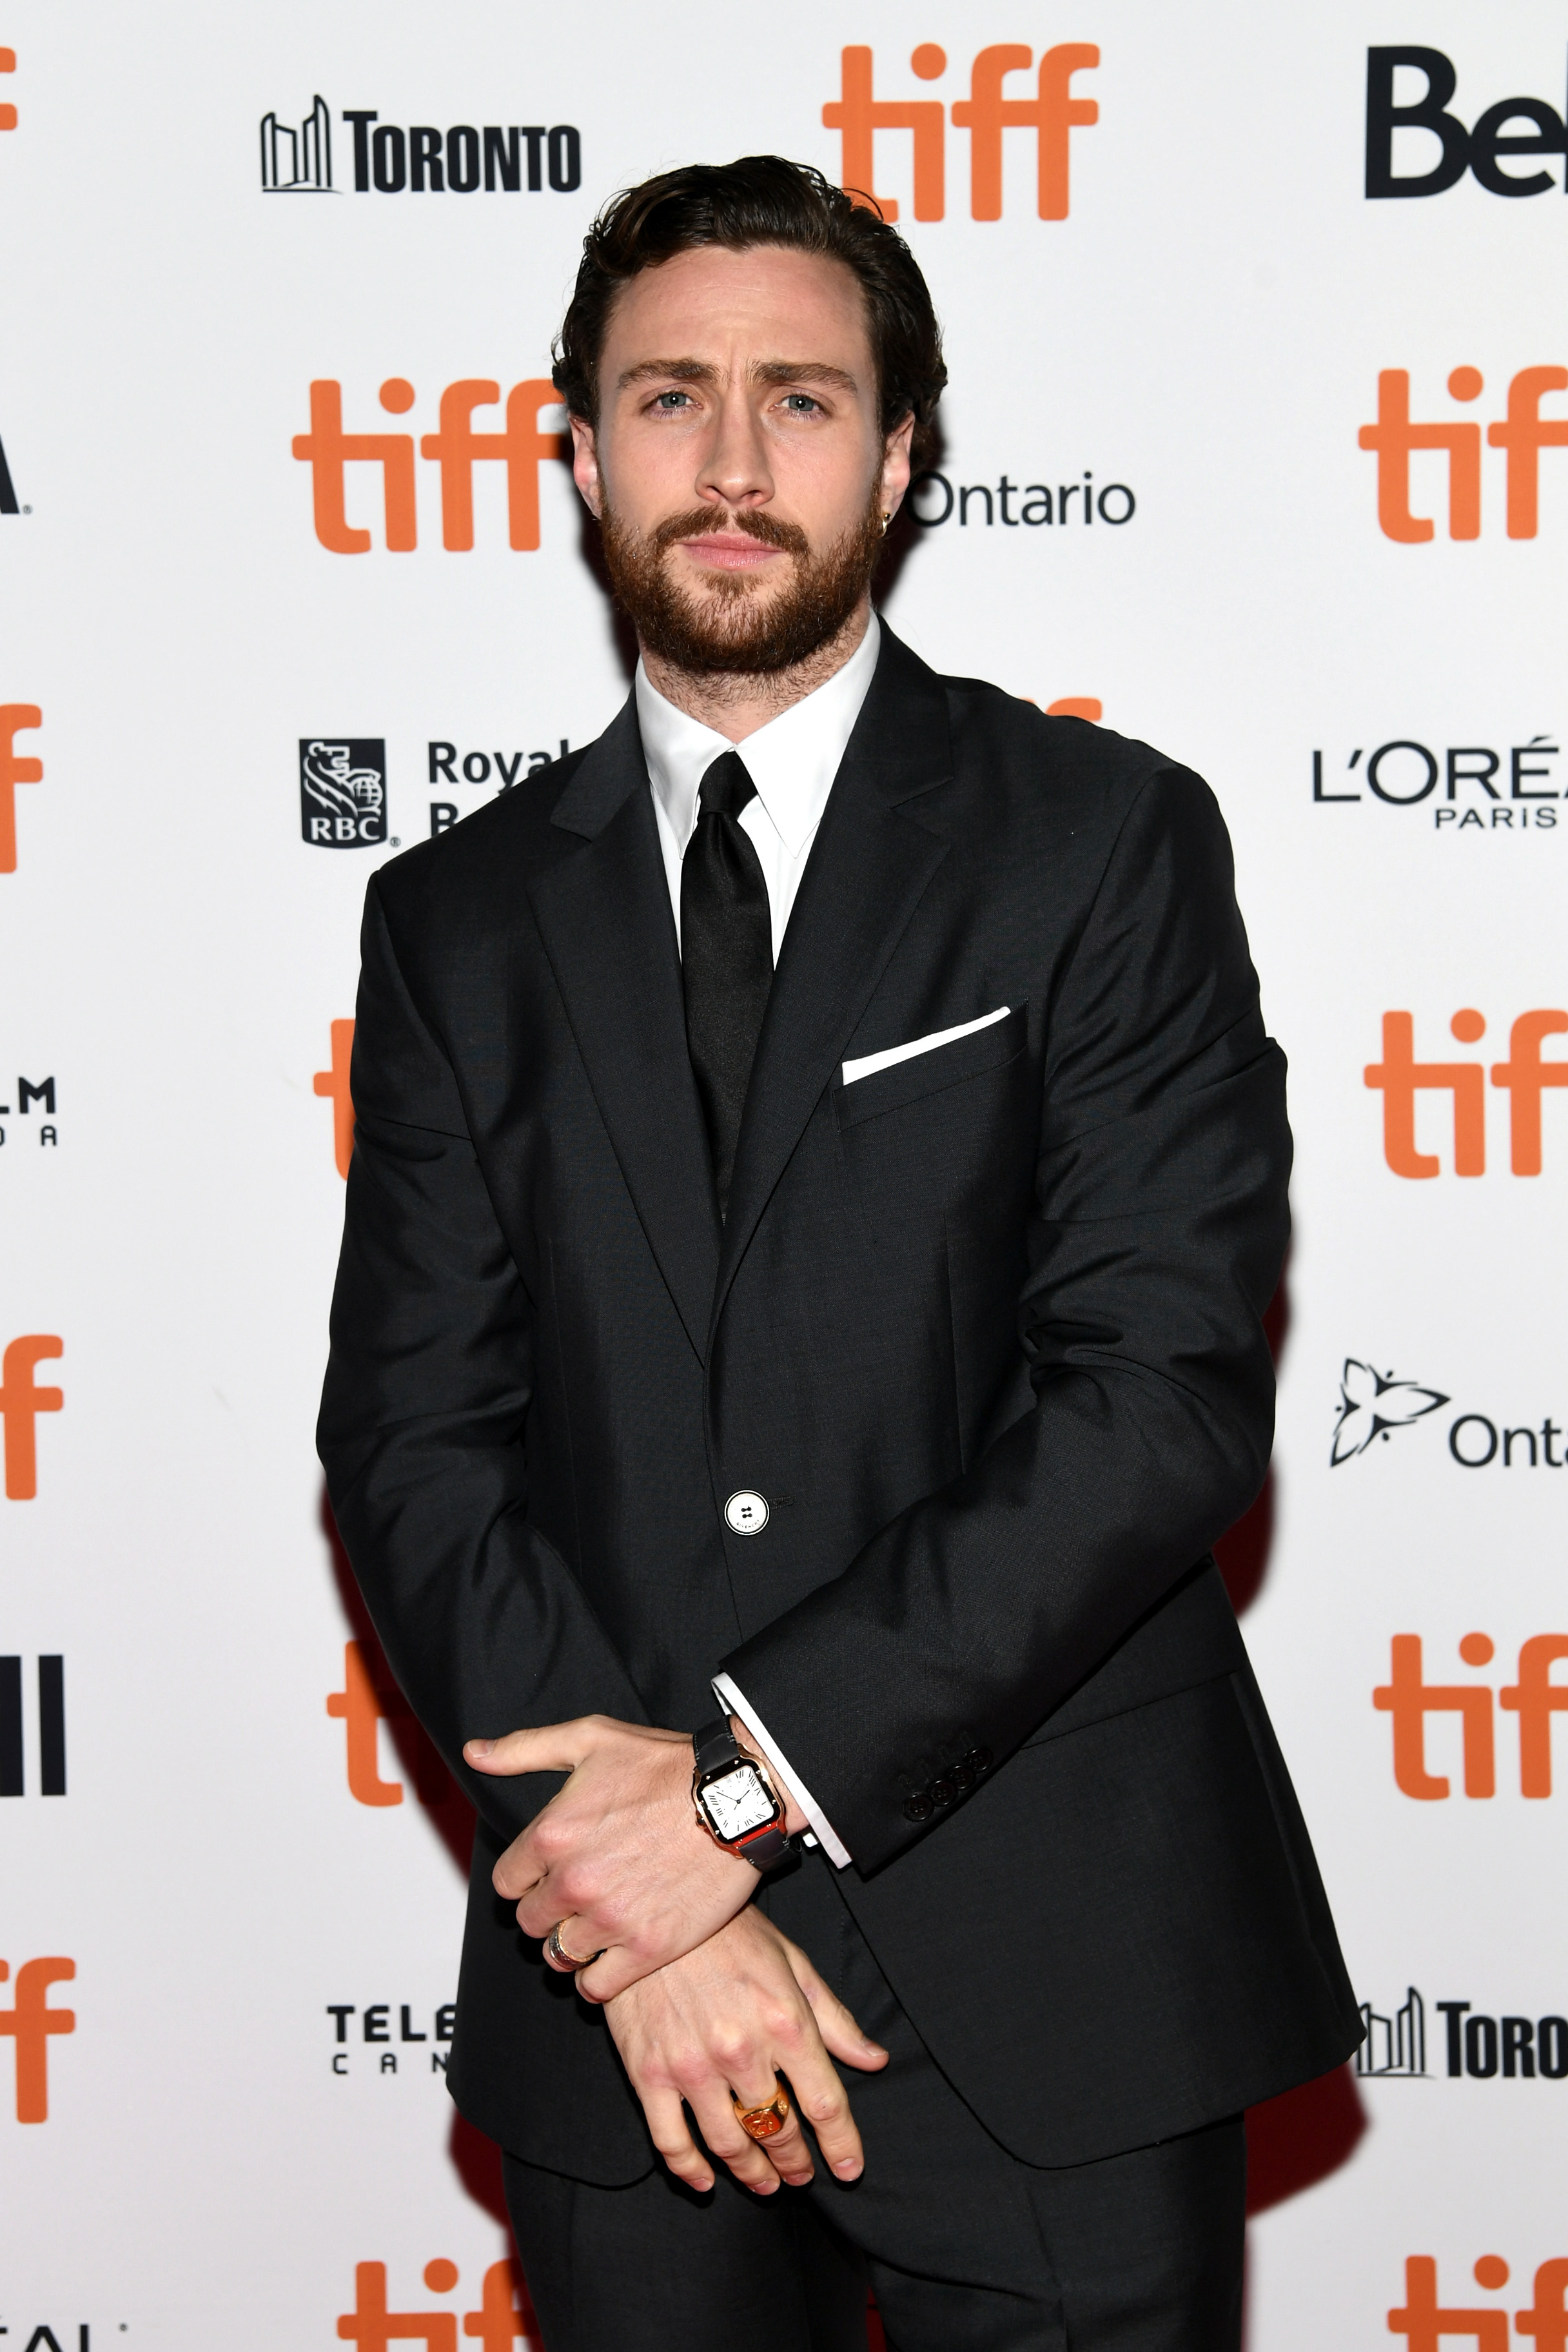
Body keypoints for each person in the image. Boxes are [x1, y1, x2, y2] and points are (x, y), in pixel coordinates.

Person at [318, 154, 1361, 2352]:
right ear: (584, 457)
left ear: (897, 461)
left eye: (797, 400)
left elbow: (1157, 1394)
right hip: (628, 2014)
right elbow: (414, 1447)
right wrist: (651, 1908)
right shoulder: (453, 922)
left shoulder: (1103, 844)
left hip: (1059, 1986)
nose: (729, 461)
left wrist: (720, 1800)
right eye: (668, 398)